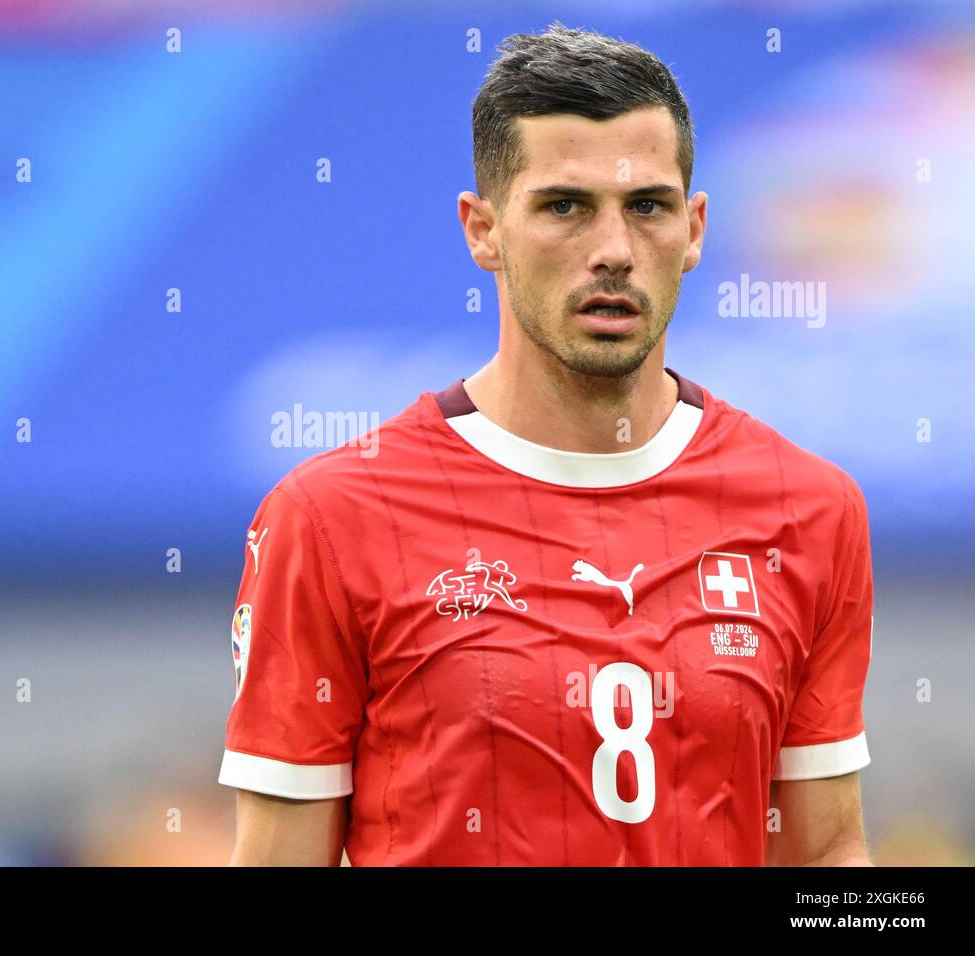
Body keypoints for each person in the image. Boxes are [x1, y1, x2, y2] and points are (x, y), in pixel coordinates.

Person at [218, 23, 873, 866]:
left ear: (696, 227)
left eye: (647, 207)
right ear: (482, 230)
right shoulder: (331, 517)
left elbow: (827, 859)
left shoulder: (808, 509)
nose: (612, 251)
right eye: (565, 206)